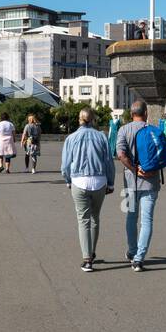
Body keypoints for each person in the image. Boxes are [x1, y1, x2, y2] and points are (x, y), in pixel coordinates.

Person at [61, 107, 115, 272]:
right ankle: (91, 253)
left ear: (79, 119)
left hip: (79, 180)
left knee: (83, 220)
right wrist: (111, 183)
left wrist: (68, 180)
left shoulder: (71, 138)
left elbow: (65, 165)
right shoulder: (101, 137)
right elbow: (108, 162)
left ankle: (87, 260)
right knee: (95, 218)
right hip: (99, 180)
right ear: (93, 119)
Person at [116, 100, 161, 272]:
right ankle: (139, 259)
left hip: (130, 181)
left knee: (131, 217)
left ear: (131, 113)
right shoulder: (153, 130)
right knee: (147, 220)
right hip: (151, 181)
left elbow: (120, 154)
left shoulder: (123, 130)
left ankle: (132, 251)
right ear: (146, 113)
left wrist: (135, 170)